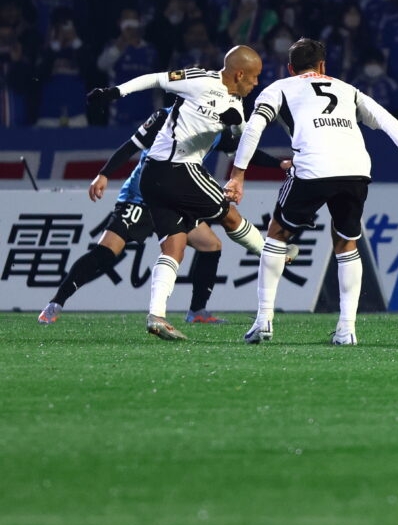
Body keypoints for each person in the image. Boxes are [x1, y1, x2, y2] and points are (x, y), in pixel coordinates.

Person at [226, 37, 398, 345]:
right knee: (345, 244)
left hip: (313, 167)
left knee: (277, 235)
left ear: (291, 68)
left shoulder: (278, 89)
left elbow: (253, 128)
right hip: (356, 169)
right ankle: (346, 329)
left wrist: (238, 176)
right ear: (322, 66)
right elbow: (387, 121)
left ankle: (264, 320)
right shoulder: (347, 89)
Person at [85, 46, 272, 341]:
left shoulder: (237, 101)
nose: (257, 83)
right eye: (255, 77)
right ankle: (273, 254)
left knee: (174, 249)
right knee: (230, 215)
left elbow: (240, 141)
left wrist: (234, 125)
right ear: (239, 74)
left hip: (154, 178)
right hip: (177, 169)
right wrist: (116, 93)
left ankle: (156, 316)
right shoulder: (199, 79)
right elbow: (156, 79)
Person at [37, 110, 290, 326]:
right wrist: (104, 174)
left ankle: (197, 311)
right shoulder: (166, 116)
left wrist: (279, 164)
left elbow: (244, 152)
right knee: (106, 253)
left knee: (211, 245)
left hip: (176, 197)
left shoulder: (215, 122)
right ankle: (56, 303)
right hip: (140, 197)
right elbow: (132, 145)